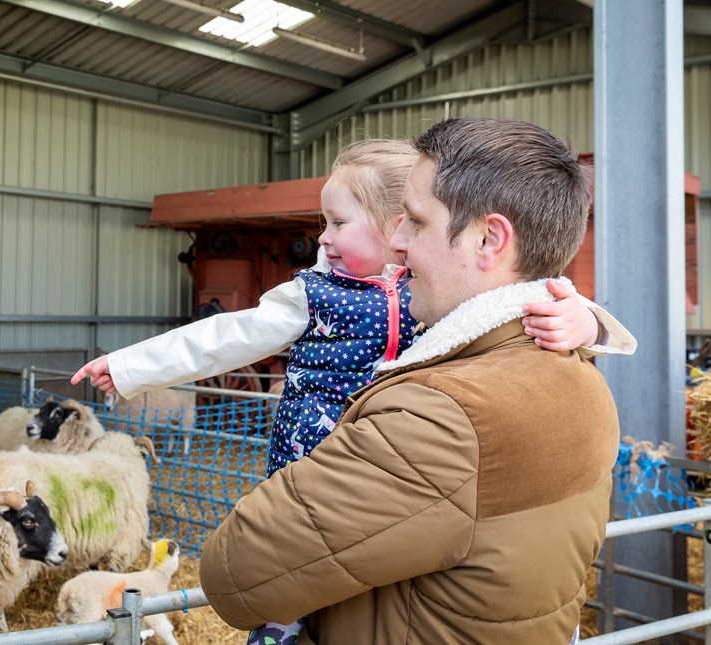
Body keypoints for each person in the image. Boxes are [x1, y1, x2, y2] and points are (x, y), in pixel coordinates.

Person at [198, 117, 625, 645]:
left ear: (489, 239)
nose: (395, 244)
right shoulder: (581, 378)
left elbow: (233, 573)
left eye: (417, 222)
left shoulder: (439, 418)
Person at [71, 139, 633, 480]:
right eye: (325, 223)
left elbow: (520, 298)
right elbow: (227, 336)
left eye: (338, 222)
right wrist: (130, 366)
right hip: (314, 457)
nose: (324, 236)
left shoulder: (435, 285)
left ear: (398, 223)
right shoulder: (314, 292)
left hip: (402, 454)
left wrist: (585, 322)